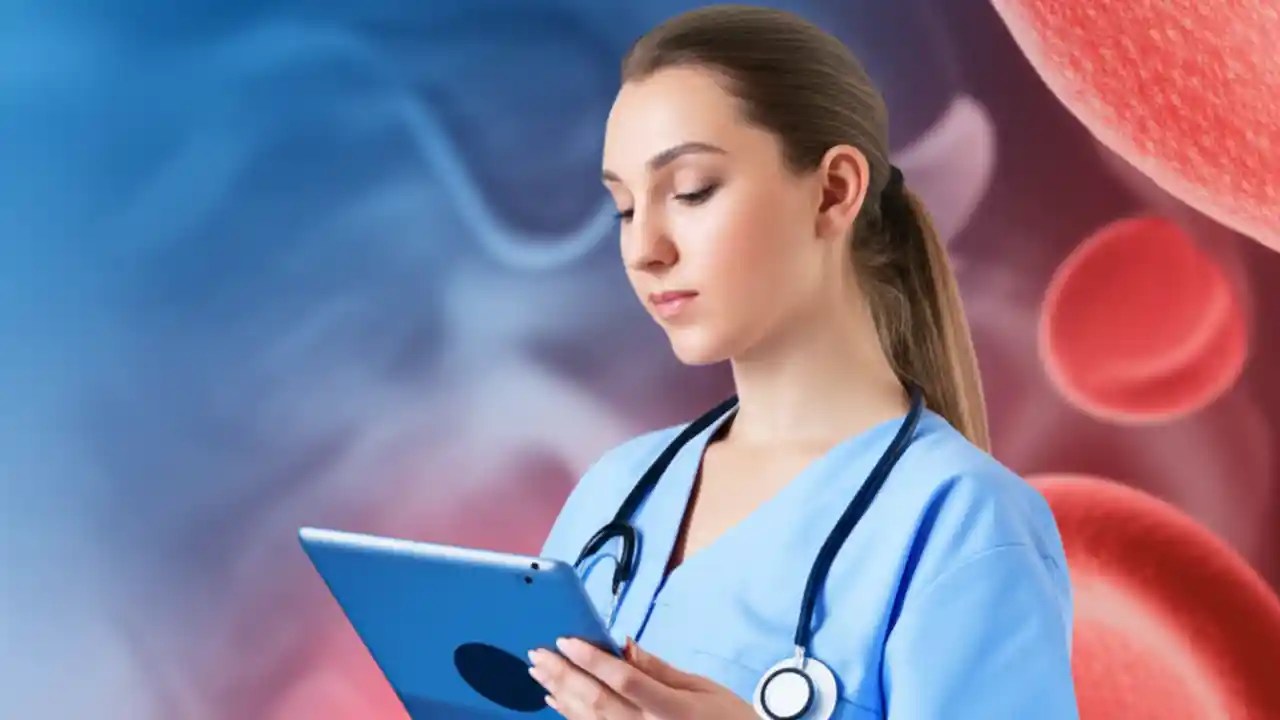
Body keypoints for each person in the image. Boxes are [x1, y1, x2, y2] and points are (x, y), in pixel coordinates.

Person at [528, 5, 1078, 719]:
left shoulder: (963, 522)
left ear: (833, 191)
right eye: (625, 209)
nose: (644, 249)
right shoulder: (615, 493)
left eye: (691, 191)